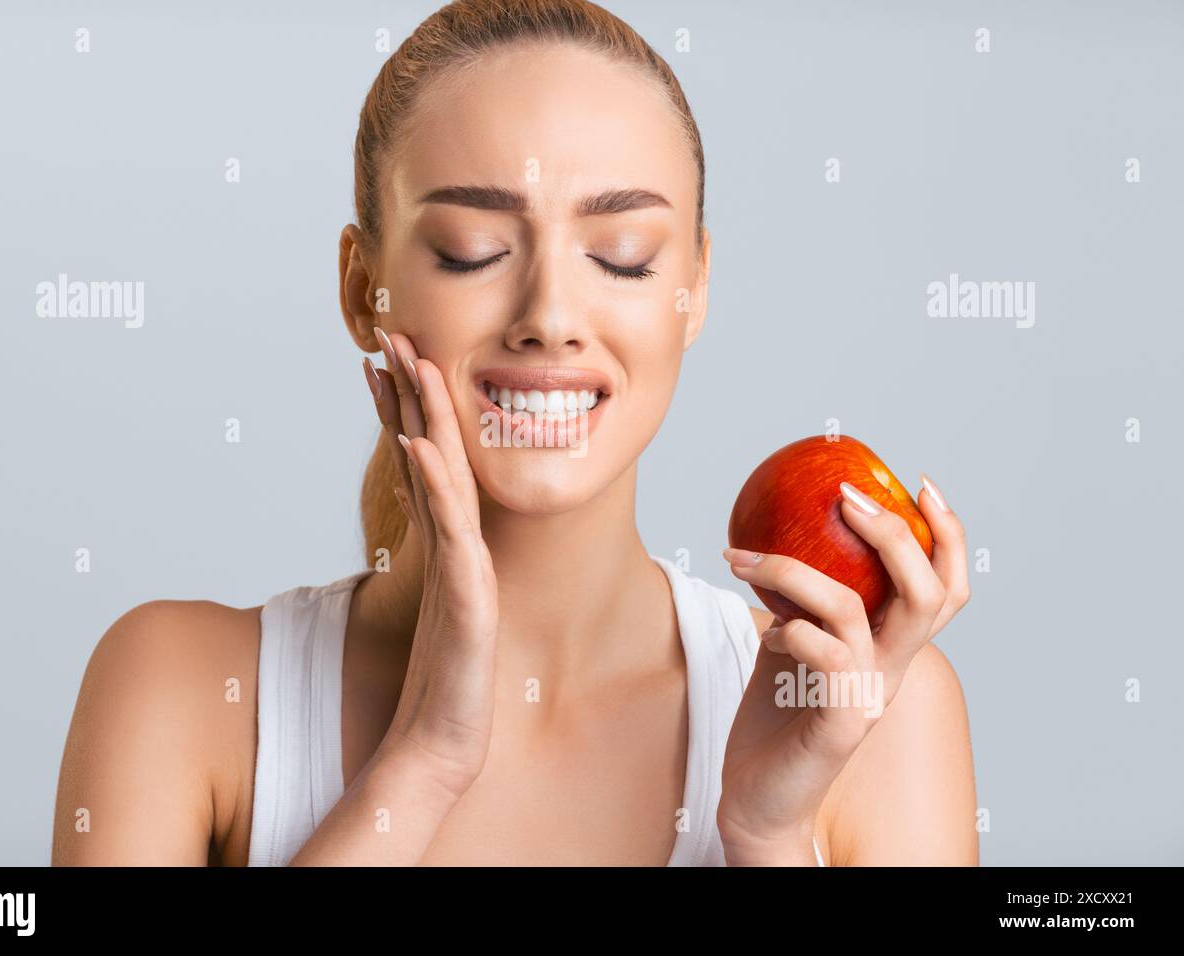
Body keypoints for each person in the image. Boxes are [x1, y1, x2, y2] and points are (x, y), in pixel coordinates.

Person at [52, 0, 976, 866]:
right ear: (359, 290)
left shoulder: (872, 716)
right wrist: (424, 758)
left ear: (694, 287)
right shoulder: (176, 690)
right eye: (473, 252)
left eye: (623, 257)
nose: (550, 315)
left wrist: (769, 833)